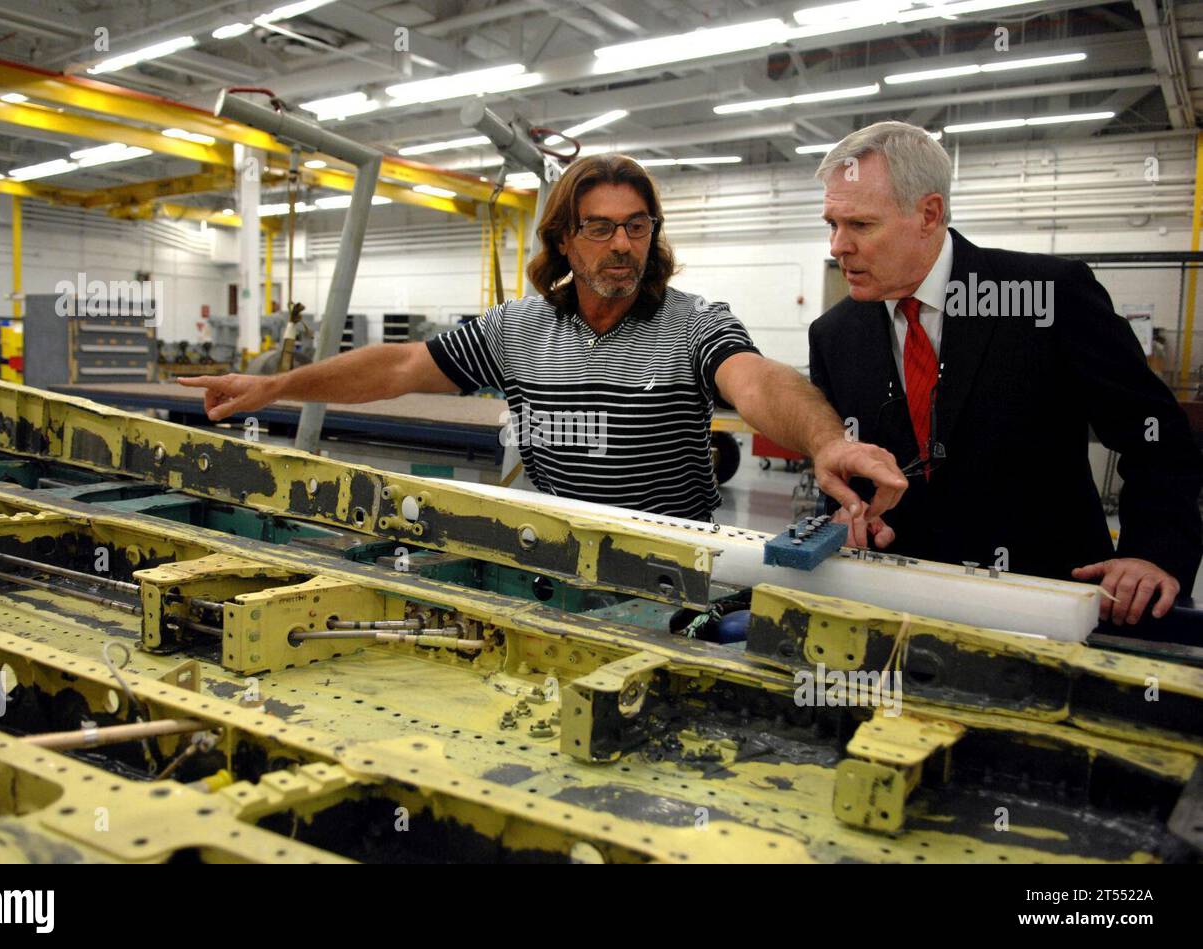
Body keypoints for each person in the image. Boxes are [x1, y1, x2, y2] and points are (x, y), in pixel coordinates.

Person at [180, 153, 906, 534]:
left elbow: (757, 381)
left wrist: (821, 440)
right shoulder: (516, 330)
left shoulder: (692, 324)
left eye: (637, 226)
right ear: (564, 238)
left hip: (677, 564)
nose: (622, 245)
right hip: (554, 556)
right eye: (599, 227)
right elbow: (400, 364)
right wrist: (275, 387)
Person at [809, 120, 1203, 626]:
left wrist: (1152, 552)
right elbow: (850, 462)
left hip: (1050, 606)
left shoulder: (1047, 296)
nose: (838, 245)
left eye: (860, 225)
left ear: (929, 214)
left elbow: (1157, 438)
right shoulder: (834, 334)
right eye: (832, 225)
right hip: (899, 608)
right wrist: (852, 514)